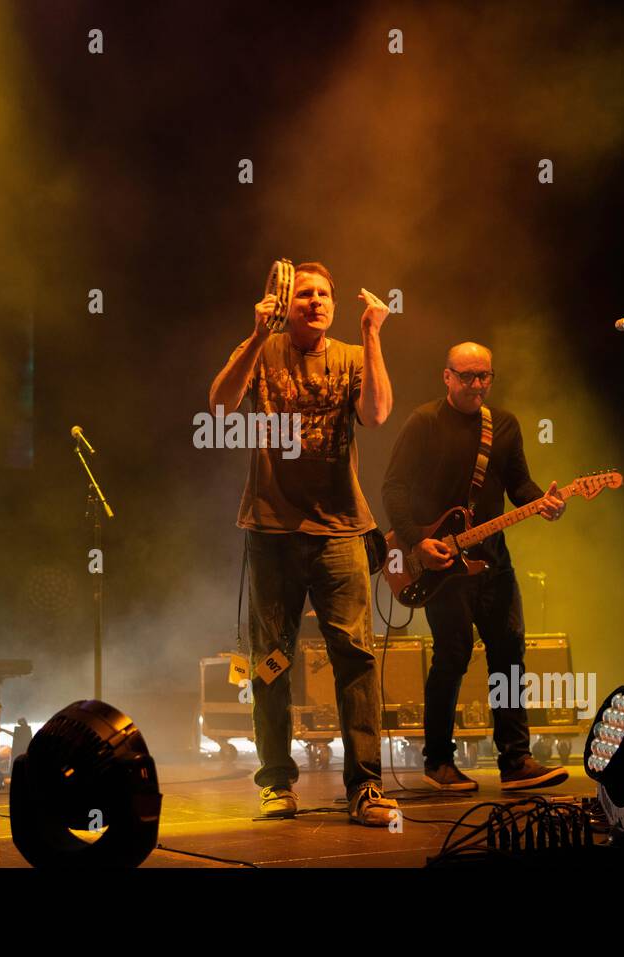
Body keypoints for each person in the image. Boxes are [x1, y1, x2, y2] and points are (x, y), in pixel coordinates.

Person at [208, 263, 399, 825]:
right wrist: (254, 335)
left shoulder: (347, 355)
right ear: (286, 303)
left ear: (334, 305)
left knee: (355, 657)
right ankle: (275, 782)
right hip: (272, 529)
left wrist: (372, 334)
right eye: (305, 295)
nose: (315, 302)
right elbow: (219, 406)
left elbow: (378, 413)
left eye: (324, 295)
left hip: (341, 529)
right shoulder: (264, 351)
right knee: (271, 662)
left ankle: (364, 786)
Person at [382, 342, 570, 791]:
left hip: (493, 558)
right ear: (446, 377)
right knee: (453, 655)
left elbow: (519, 483)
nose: (476, 385)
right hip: (440, 562)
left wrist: (544, 501)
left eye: (484, 376)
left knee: (509, 655)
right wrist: (417, 542)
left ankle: (516, 760)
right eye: (466, 376)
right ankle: (438, 762)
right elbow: (394, 487)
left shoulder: (503, 425)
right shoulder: (424, 422)